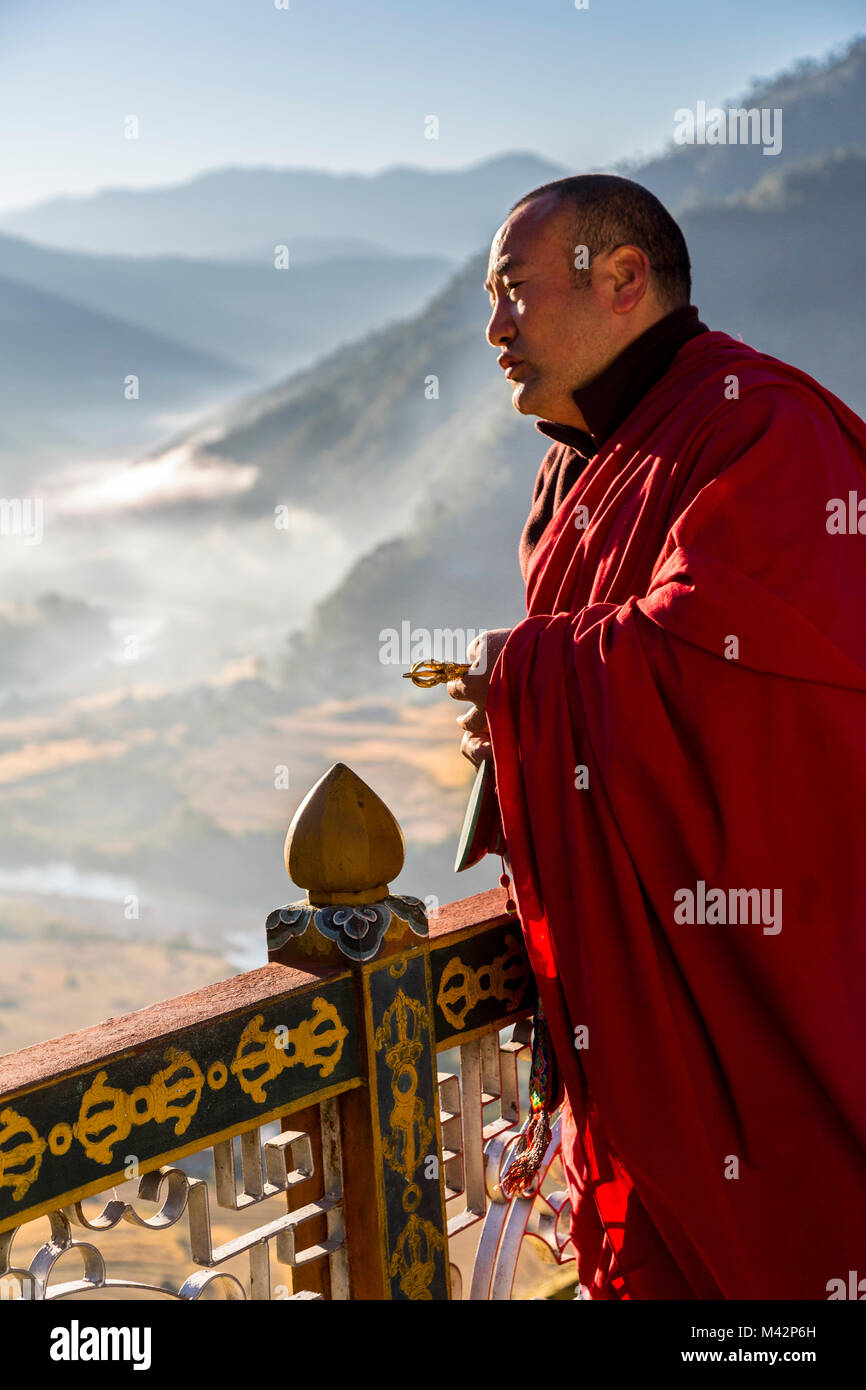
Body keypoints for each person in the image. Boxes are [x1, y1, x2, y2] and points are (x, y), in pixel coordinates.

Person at [447, 173, 866, 1300]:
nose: (494, 329)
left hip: (769, 976)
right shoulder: (579, 464)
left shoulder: (760, 427)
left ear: (622, 278)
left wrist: (522, 678)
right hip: (637, 995)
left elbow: (745, 688)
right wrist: (534, 712)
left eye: (514, 291)